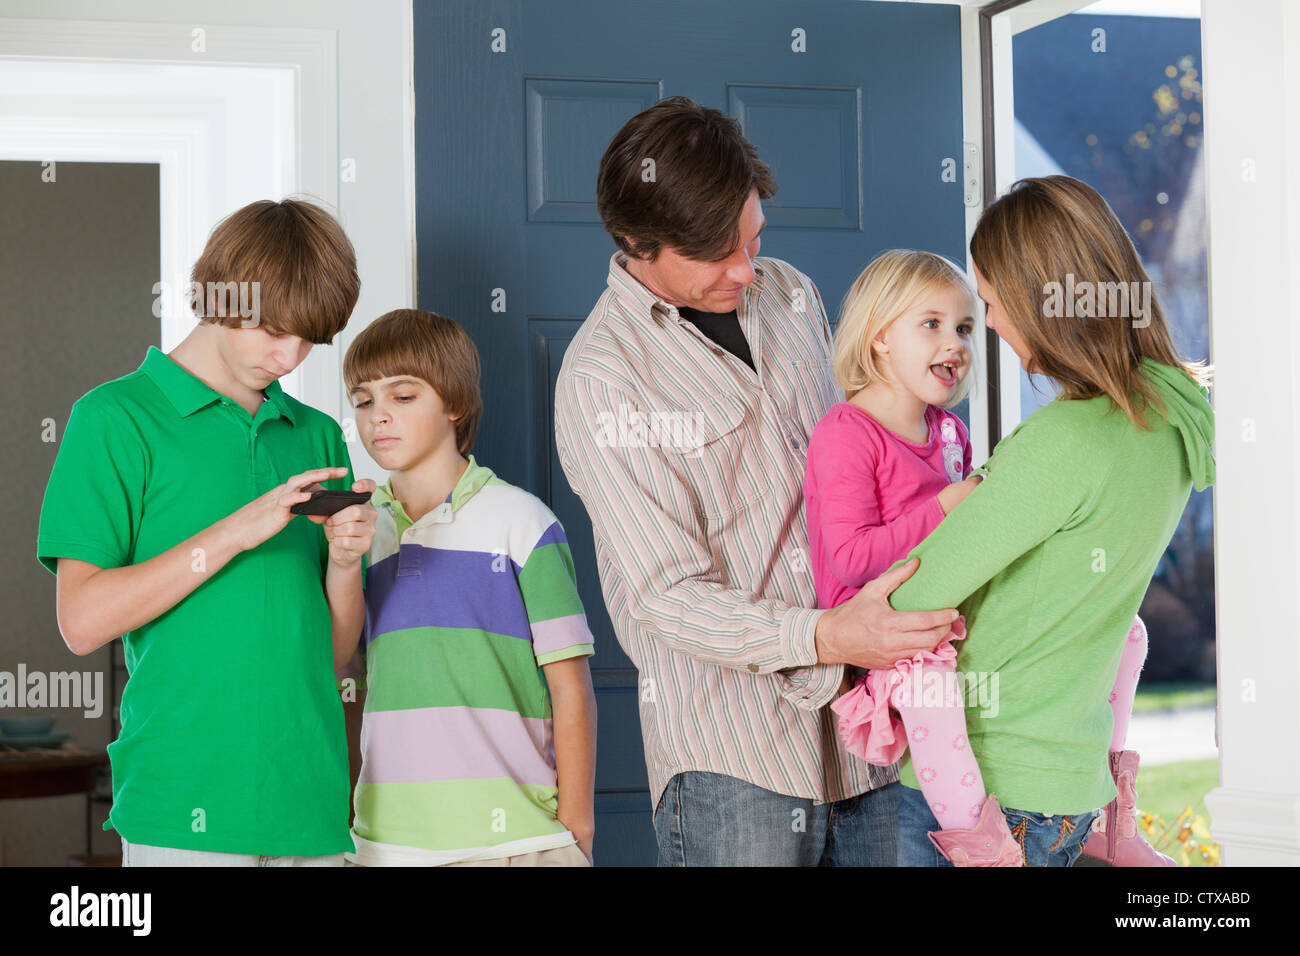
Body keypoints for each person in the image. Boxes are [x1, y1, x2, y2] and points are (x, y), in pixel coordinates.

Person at [553, 96, 960, 866]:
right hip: (731, 757)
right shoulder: (602, 380)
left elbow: (860, 464)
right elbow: (662, 592)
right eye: (716, 255)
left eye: (752, 239)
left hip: (860, 733)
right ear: (636, 242)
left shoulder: (793, 295)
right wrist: (825, 635)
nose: (745, 269)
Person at [36, 198, 377, 866]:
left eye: (309, 338)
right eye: (275, 330)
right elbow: (81, 623)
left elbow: (334, 655)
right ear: (218, 294)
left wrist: (343, 563)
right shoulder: (114, 419)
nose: (290, 355)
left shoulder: (314, 434)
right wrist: (233, 533)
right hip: (181, 805)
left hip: (309, 800)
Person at [884, 176, 1213, 866]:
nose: (993, 325)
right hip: (1067, 788)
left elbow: (910, 600)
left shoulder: (1064, 441)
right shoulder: (1170, 426)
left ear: (1045, 302)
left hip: (989, 795)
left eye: (996, 304)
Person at [341, 309, 597, 867]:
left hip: (517, 843)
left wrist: (576, 829)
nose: (378, 417)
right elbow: (351, 684)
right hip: (384, 846)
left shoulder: (522, 522)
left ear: (454, 403)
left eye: (402, 397)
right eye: (363, 401)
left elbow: (571, 688)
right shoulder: (360, 533)